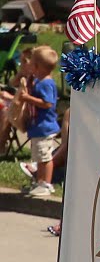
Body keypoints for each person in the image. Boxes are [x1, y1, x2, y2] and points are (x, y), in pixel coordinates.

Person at [10, 46, 63, 199]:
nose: (30, 67)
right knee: (39, 157)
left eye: (32, 64)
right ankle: (39, 181)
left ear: (38, 66)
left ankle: (46, 183)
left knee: (45, 157)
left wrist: (27, 98)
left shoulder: (47, 83)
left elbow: (48, 103)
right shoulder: (39, 81)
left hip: (45, 126)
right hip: (38, 126)